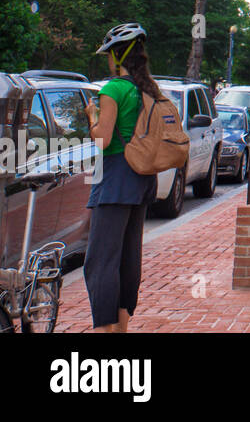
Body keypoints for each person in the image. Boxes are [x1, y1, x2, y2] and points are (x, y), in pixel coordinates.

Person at [83, 22, 162, 333]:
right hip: (143, 178)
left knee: (100, 262)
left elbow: (102, 140)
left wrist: (92, 118)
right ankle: (122, 329)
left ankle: (104, 331)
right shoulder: (150, 90)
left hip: (114, 175)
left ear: (117, 56)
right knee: (129, 258)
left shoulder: (113, 89)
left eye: (108, 55)